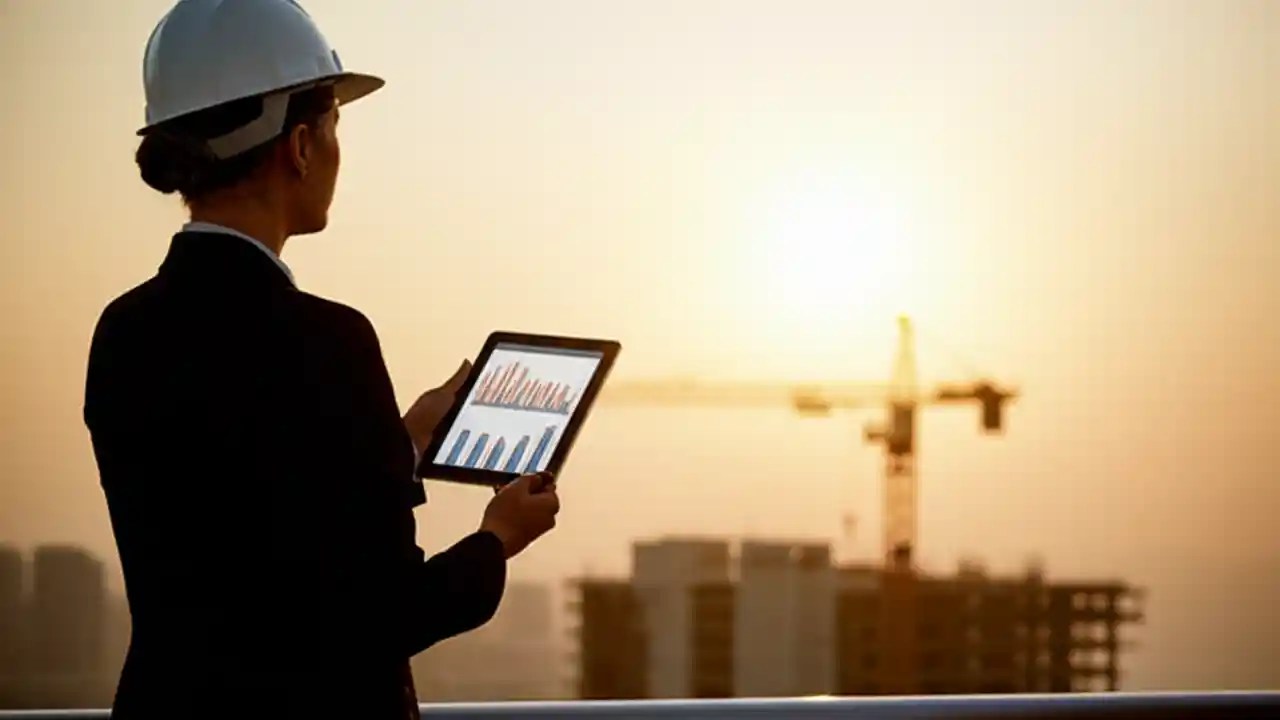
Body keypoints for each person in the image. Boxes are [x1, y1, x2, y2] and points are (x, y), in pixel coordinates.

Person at [82, 1, 561, 717]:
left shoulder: (124, 331)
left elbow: (253, 523)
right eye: (334, 125)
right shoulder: (329, 343)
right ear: (300, 146)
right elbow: (386, 611)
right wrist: (499, 538)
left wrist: (401, 441)